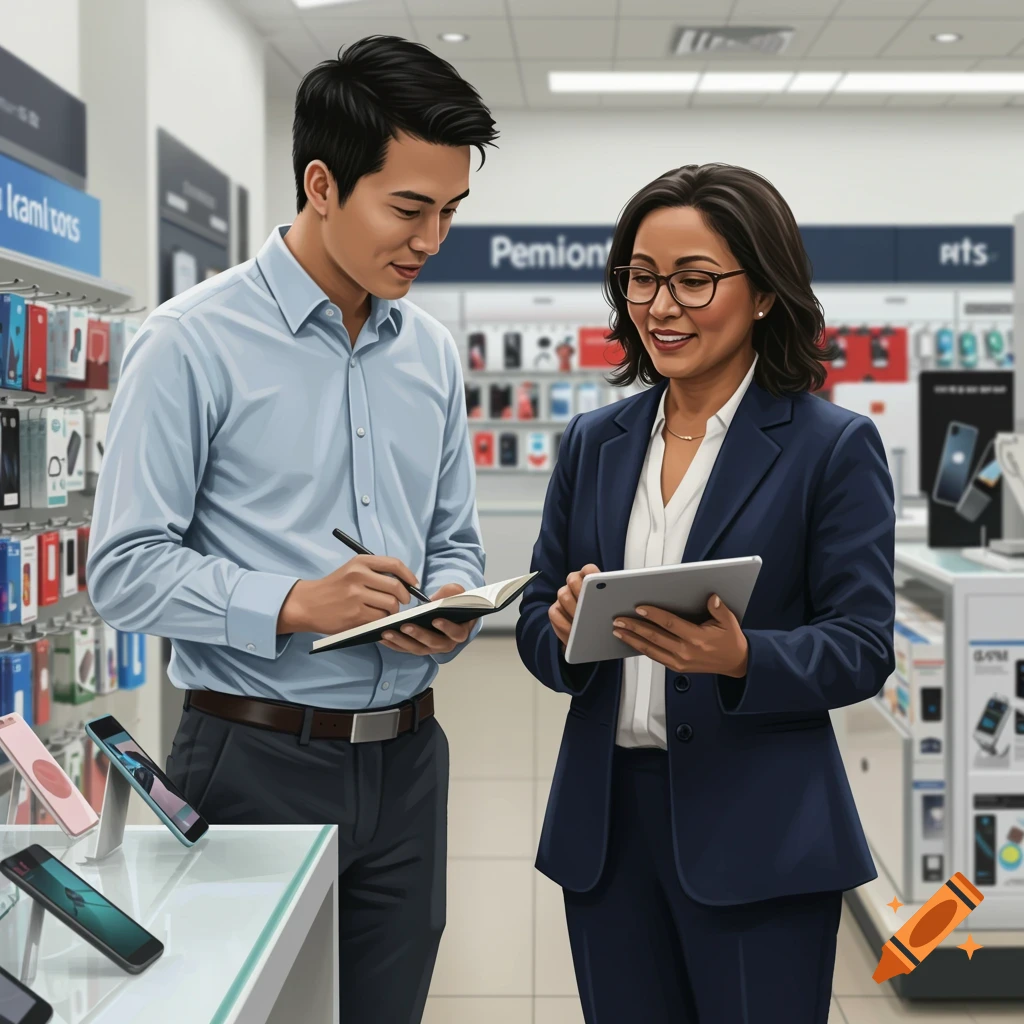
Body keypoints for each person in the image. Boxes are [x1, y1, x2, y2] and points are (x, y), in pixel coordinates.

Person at [88, 35, 497, 1024]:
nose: (431, 237)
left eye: (449, 211)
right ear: (322, 183)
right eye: (408, 208)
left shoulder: (432, 356)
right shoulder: (189, 343)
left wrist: (451, 601)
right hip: (253, 758)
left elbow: (456, 542)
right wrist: (294, 603)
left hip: (410, 764)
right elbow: (123, 571)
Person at [516, 163, 896, 1024]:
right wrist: (565, 627)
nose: (660, 306)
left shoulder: (830, 447)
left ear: (763, 291)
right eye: (641, 279)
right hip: (606, 830)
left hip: (760, 829)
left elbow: (865, 644)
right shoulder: (595, 442)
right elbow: (539, 612)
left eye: (693, 280)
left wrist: (745, 658)